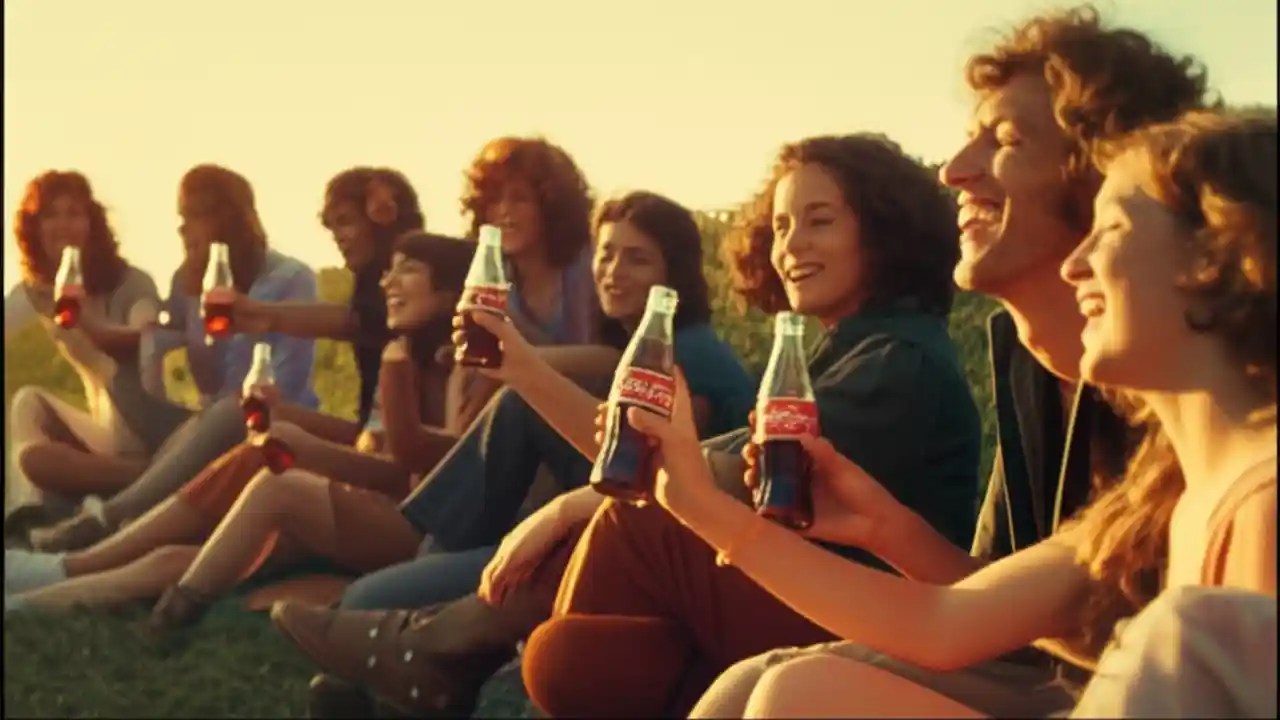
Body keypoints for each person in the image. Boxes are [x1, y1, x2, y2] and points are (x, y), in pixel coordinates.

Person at [271, 134, 984, 718]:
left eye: (820, 221)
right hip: (798, 589)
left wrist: (572, 498)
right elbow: (698, 459)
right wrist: (519, 370)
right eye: (783, 225)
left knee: (629, 521)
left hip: (873, 619)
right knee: (584, 622)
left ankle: (437, 652)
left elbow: (721, 467)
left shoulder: (897, 360)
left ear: (883, 232)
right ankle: (438, 660)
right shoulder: (845, 346)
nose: (790, 244)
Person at [676, 107, 1276, 719]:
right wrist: (880, 526)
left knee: (796, 692)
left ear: (1215, 254)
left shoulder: (1263, 505)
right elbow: (945, 622)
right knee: (775, 685)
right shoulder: (1159, 491)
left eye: (1112, 229)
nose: (1076, 265)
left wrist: (697, 496)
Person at [272, 190, 759, 717]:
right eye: (606, 253)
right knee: (517, 407)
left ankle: (409, 651)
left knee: (368, 599)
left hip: (663, 546)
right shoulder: (641, 346)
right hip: (602, 515)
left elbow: (656, 477)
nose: (613, 271)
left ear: (676, 275)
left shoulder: (684, 360)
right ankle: (409, 636)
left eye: (636, 258)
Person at [5, 232, 475, 619]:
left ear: (449, 292)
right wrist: (292, 426)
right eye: (389, 268)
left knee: (275, 473)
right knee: (177, 558)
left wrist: (307, 449)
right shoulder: (406, 354)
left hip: (405, 527)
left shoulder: (457, 368)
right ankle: (32, 599)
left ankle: (92, 563)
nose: (388, 280)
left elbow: (424, 478)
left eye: (408, 269)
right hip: (361, 509)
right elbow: (376, 443)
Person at [11, 165, 319, 550]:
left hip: (270, 426)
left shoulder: (292, 279)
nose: (180, 229)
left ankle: (103, 519)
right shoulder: (188, 282)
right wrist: (148, 354)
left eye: (190, 216)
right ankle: (33, 525)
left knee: (228, 409)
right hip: (203, 423)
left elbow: (287, 386)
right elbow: (155, 338)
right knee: (46, 407)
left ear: (222, 218)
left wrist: (96, 327)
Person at [5, 171, 162, 521]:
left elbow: (145, 336)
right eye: (50, 214)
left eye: (74, 213)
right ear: (34, 228)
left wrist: (88, 325)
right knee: (28, 404)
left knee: (39, 459)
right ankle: (30, 517)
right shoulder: (39, 292)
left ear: (92, 223)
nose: (63, 225)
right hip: (102, 435)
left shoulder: (131, 282)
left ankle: (153, 475)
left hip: (141, 430)